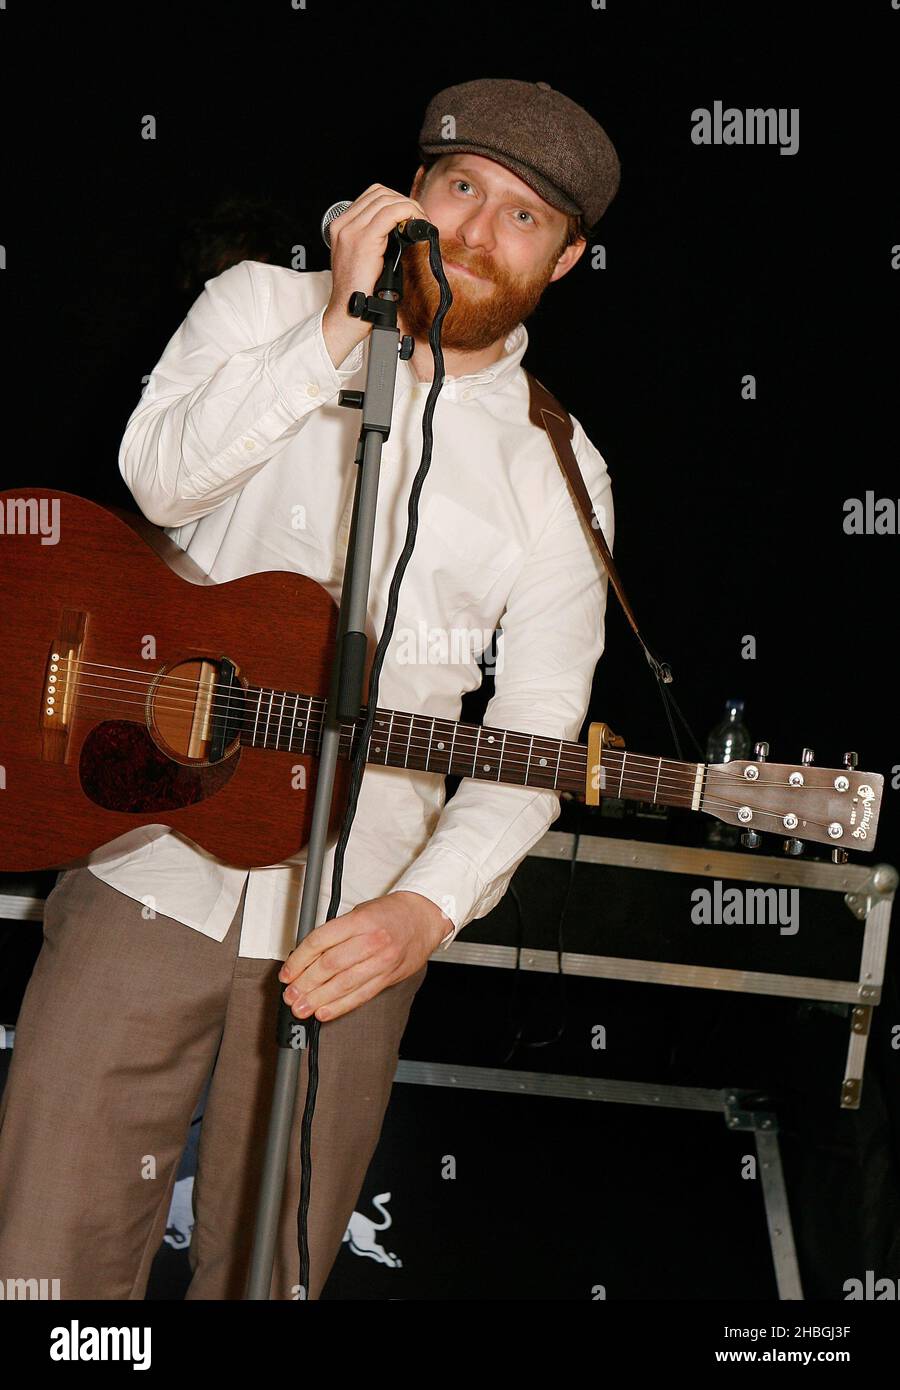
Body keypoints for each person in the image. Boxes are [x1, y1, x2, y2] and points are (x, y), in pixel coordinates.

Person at [0, 77, 619, 1300]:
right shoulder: (261, 307)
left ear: (567, 258)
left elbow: (538, 734)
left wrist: (424, 912)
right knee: (46, 1271)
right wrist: (334, 326)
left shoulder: (562, 466)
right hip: (148, 862)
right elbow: (159, 480)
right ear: (407, 191)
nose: (476, 233)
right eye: (459, 190)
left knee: (267, 1279)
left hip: (356, 918)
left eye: (525, 217)